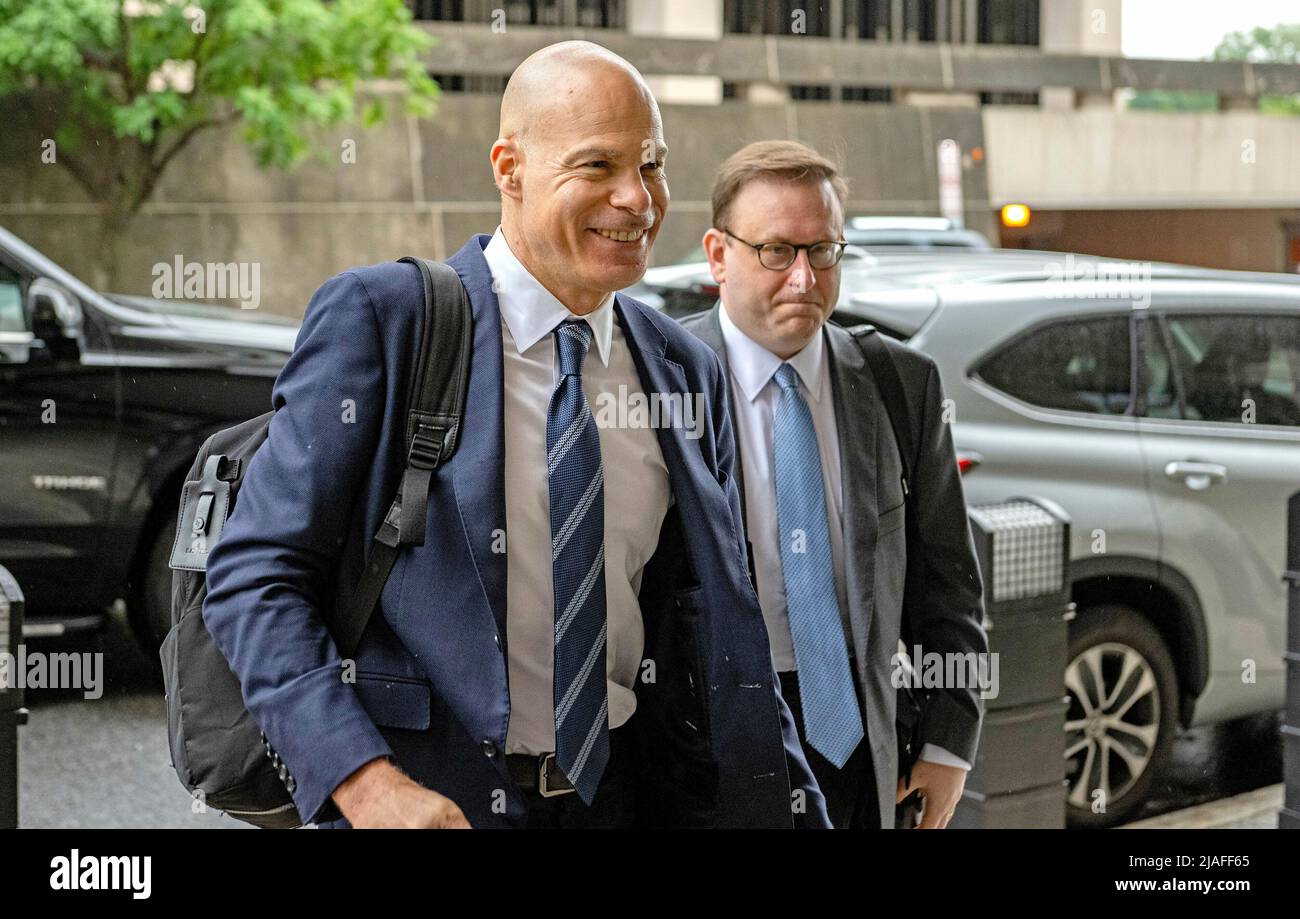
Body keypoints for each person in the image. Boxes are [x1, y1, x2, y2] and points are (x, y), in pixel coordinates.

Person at [201, 43, 828, 829]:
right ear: (510, 168)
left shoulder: (683, 370)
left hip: (625, 802)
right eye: (597, 165)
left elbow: (726, 629)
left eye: (652, 165)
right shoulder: (388, 321)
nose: (638, 199)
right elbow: (253, 577)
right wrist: (365, 784)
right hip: (430, 806)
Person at [681, 140, 988, 828]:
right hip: (714, 744)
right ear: (717, 254)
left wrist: (947, 740)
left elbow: (949, 588)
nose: (803, 277)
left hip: (859, 737)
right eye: (776, 250)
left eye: (822, 251)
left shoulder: (899, 385)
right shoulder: (663, 378)